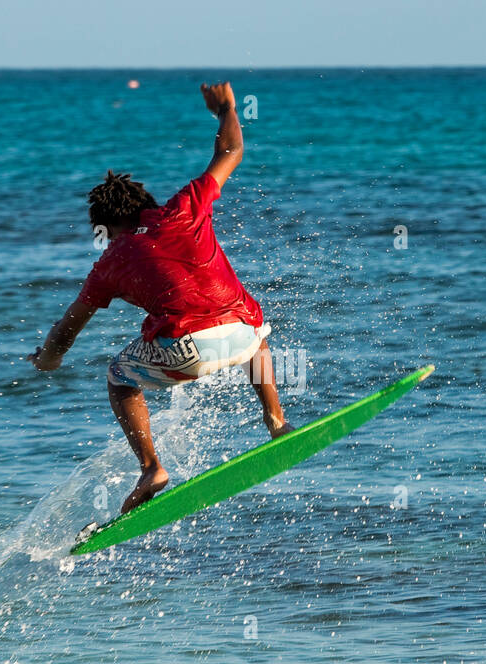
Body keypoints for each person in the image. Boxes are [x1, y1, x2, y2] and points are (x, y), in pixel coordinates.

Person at [28, 82, 292, 514]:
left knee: (118, 375)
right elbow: (230, 153)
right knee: (258, 333)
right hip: (243, 335)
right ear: (145, 204)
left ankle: (151, 468)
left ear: (109, 226)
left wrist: (48, 360)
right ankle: (276, 421)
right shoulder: (185, 207)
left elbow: (66, 331)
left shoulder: (110, 261)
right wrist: (226, 107)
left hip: (188, 349)